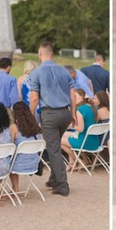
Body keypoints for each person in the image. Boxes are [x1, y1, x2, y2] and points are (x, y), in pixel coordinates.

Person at [27, 40, 75, 196]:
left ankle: (62, 184)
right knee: (54, 145)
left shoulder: (36, 73)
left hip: (49, 114)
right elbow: (73, 95)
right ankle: (54, 179)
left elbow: (34, 98)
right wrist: (73, 113)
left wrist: (30, 115)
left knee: (53, 149)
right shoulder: (64, 71)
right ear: (52, 53)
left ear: (40, 54)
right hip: (65, 113)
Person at [9, 101, 44, 194]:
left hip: (18, 166)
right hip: (34, 163)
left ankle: (15, 188)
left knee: (8, 159)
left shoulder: (14, 128)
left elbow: (10, 146)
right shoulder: (36, 127)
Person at [61, 93, 99, 169]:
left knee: (58, 140)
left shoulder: (80, 110)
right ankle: (73, 163)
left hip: (84, 142)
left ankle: (80, 162)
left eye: (76, 97)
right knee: (64, 134)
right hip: (95, 142)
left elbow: (80, 129)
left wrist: (72, 125)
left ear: (82, 97)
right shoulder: (93, 107)